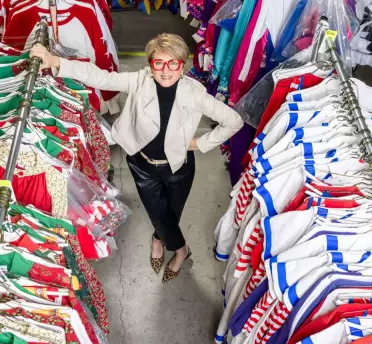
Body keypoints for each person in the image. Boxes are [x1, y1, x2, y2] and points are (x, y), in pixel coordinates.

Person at [31, 34, 244, 282]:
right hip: (143, 165)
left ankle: (158, 239)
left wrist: (200, 143)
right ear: (150, 64)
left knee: (171, 215)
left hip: (179, 167)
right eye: (159, 63)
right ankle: (181, 250)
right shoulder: (140, 81)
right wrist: (56, 61)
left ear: (182, 65)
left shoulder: (195, 93)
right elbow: (100, 76)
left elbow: (234, 121)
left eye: (173, 63)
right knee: (158, 213)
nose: (166, 71)